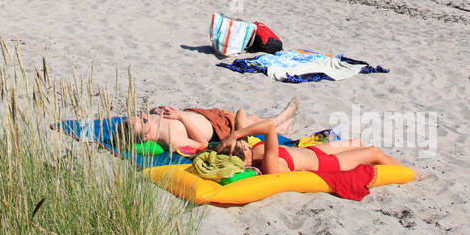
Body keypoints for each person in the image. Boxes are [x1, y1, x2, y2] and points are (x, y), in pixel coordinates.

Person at [216, 112, 400, 175]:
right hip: (325, 164)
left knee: (357, 142)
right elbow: (269, 126)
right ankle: (410, 174)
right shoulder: (268, 164)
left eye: (242, 143)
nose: (244, 143)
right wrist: (238, 135)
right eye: (243, 146)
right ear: (245, 160)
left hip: (314, 150)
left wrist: (235, 135)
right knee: (374, 152)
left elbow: (240, 112)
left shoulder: (249, 147)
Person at [118, 99, 300, 154]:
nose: (143, 117)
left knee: (249, 117)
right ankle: (279, 123)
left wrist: (155, 111)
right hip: (216, 128)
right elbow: (201, 144)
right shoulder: (170, 139)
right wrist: (182, 117)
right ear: (144, 137)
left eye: (138, 116)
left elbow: (148, 115)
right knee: (248, 120)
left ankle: (280, 126)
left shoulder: (150, 120)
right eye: (142, 122)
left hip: (203, 113)